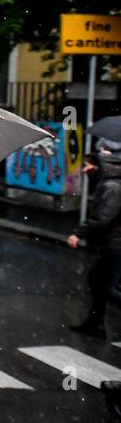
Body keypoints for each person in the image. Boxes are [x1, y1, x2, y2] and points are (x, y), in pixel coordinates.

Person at [66, 138, 121, 338]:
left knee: (105, 287)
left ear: (98, 166)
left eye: (87, 166)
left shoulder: (112, 186)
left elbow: (103, 217)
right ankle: (95, 323)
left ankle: (95, 324)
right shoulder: (110, 182)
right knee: (98, 281)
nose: (84, 170)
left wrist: (78, 233)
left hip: (115, 244)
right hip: (112, 242)